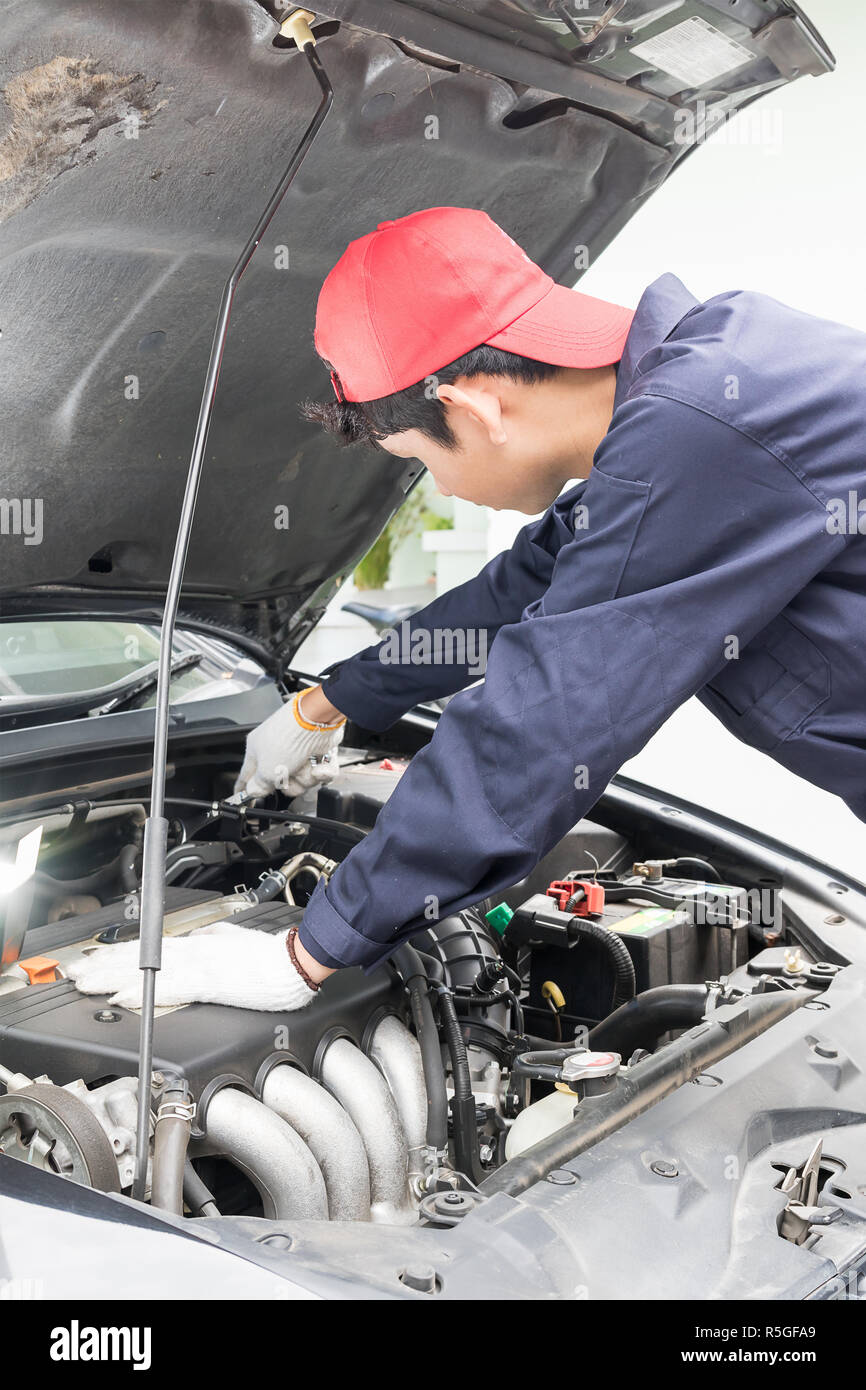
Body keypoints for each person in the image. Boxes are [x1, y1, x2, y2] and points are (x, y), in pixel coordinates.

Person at [73, 206, 866, 1010]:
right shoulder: (698, 389)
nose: (441, 487)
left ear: (476, 408)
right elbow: (521, 587)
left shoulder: (703, 432)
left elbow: (545, 722)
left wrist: (307, 952)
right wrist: (327, 703)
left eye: (417, 461)